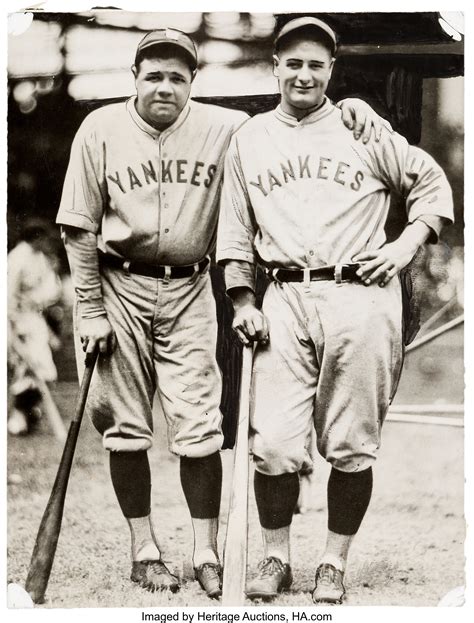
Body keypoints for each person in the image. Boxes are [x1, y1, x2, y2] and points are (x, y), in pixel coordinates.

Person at [56, 26, 394, 598]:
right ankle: (144, 549)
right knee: (126, 430)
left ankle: (206, 551)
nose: (165, 86)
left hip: (190, 288)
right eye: (153, 75)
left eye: (177, 77)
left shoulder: (228, 129)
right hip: (117, 286)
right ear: (133, 77)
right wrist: (89, 310)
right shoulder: (100, 129)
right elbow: (78, 227)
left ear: (194, 81)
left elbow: (296, 122)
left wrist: (359, 110)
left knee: (200, 429)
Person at [216, 16, 453, 604]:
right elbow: (235, 230)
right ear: (275, 67)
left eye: (316, 64)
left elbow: (431, 184)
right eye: (293, 62)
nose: (303, 73)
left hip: (360, 294)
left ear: (331, 70)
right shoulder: (248, 139)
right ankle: (274, 557)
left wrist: (402, 247)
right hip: (285, 297)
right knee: (271, 441)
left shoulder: (361, 129)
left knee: (351, 443)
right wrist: (243, 299)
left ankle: (332, 562)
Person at [7, 220, 63, 435]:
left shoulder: (40, 258)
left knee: (44, 372)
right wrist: (13, 330)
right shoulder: (17, 257)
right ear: (36, 237)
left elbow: (51, 290)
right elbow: (9, 295)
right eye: (44, 238)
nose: (46, 243)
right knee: (27, 371)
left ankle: (26, 416)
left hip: (34, 319)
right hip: (18, 321)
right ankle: (19, 419)